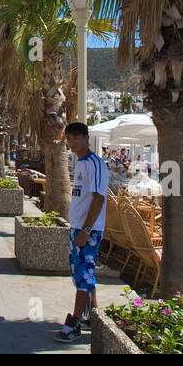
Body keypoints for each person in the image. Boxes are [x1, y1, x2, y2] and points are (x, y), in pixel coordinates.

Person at [55, 122, 106, 343]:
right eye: (69, 138)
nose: (72, 143)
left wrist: (86, 229)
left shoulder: (96, 164)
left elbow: (99, 197)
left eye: (76, 138)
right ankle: (92, 314)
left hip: (89, 230)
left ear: (86, 138)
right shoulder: (80, 163)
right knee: (81, 274)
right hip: (78, 228)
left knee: (83, 275)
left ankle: (75, 321)